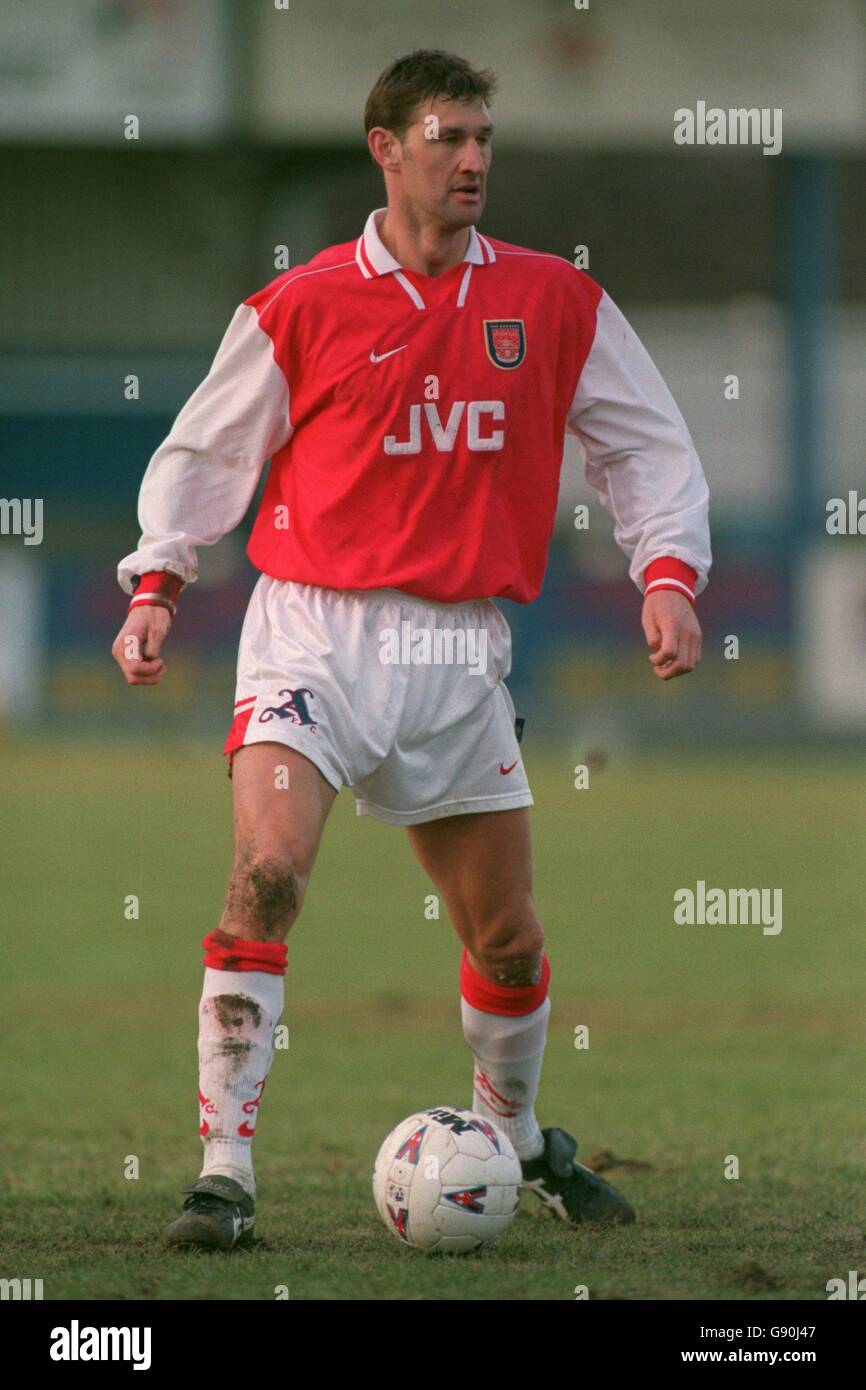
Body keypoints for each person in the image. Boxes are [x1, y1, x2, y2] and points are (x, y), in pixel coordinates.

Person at [113, 48, 710, 1251]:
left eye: (484, 137)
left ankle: (519, 1136)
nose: (473, 159)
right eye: (447, 137)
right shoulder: (303, 304)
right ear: (385, 148)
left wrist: (667, 574)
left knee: (506, 938)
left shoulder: (552, 301)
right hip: (310, 633)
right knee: (267, 873)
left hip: (455, 653)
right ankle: (223, 1173)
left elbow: (645, 445)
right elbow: (207, 451)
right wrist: (157, 581)